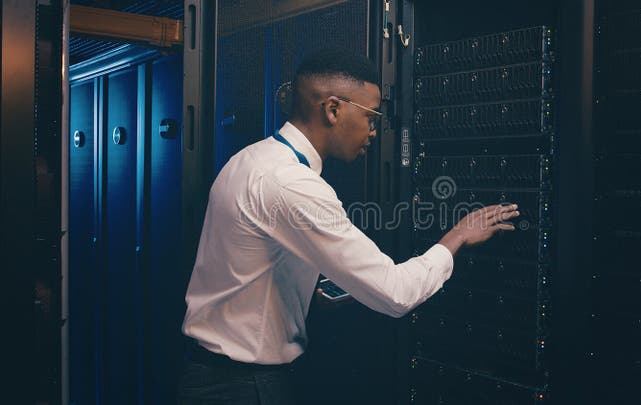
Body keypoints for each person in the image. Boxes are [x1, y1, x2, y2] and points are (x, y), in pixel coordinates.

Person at [176, 48, 520, 404]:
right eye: (371, 117)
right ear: (333, 109)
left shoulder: (249, 159)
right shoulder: (293, 184)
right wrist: (458, 236)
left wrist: (306, 293)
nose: (373, 132)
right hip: (243, 388)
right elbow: (396, 293)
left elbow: (247, 266)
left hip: (211, 376)